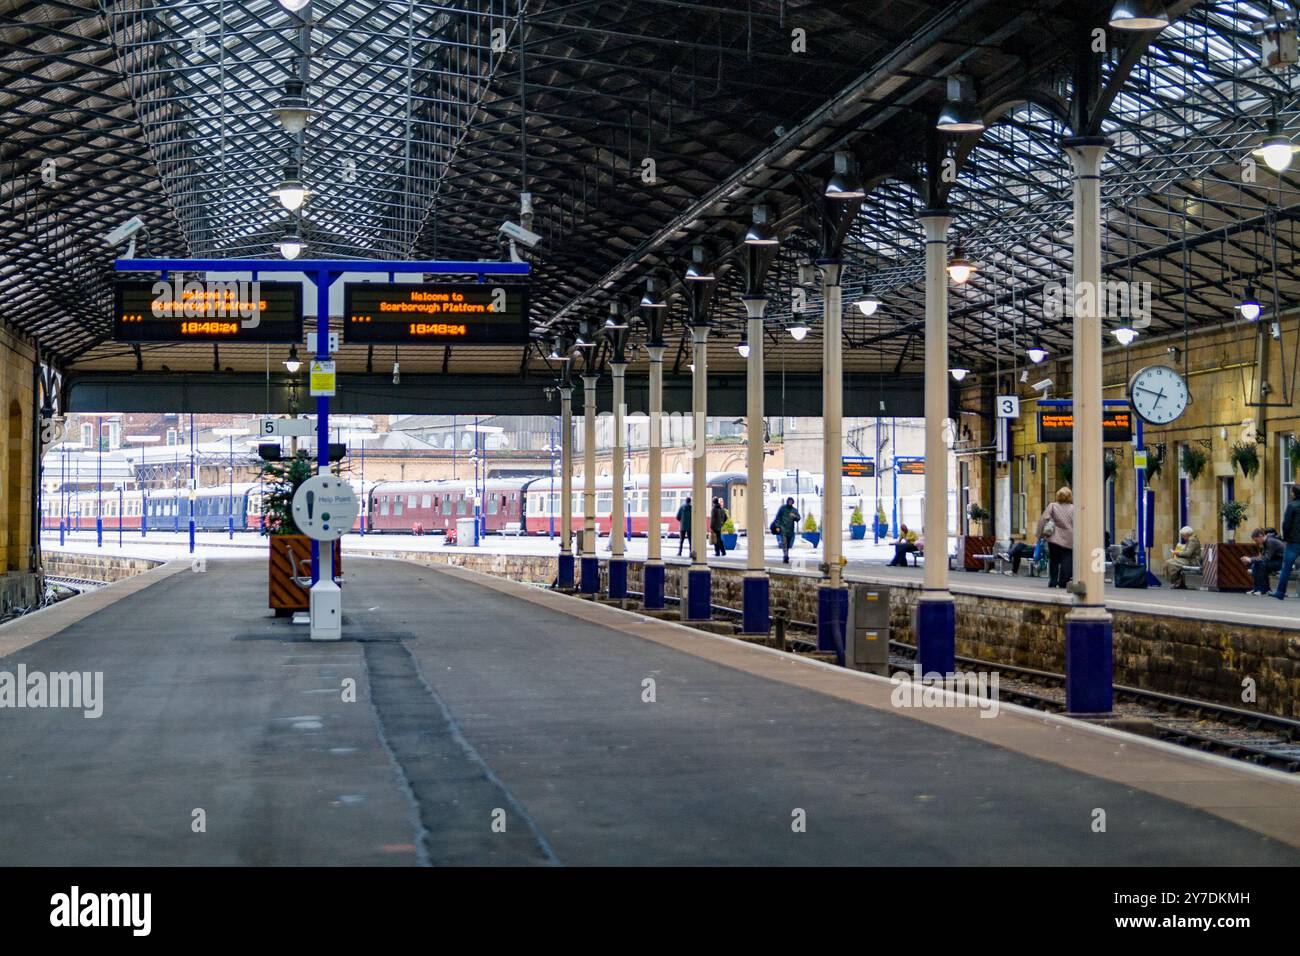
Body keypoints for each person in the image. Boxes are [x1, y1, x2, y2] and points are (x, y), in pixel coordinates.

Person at [1034, 486, 1074, 589]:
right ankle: (1063, 582)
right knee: (1067, 561)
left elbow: (1043, 520)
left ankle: (1053, 581)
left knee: (1054, 561)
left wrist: (1039, 535)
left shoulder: (1052, 506)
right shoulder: (1074, 508)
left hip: (1054, 539)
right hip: (1070, 539)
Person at [1273, 486, 1300, 600]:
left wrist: (1285, 537)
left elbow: (1286, 524)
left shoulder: (1291, 505)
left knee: (1286, 568)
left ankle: (1280, 592)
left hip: (1293, 541)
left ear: (1294, 494)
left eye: (1291, 492)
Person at [1243, 526, 1284, 595]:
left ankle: (1262, 589)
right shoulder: (1265, 542)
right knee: (1255, 564)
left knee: (1262, 564)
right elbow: (1262, 557)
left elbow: (1266, 558)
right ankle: (1257, 588)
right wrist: (1251, 560)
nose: (1256, 542)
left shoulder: (1270, 541)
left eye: (1256, 540)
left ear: (1260, 536)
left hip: (1281, 563)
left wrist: (1250, 559)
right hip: (1274, 561)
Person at [1164, 525, 1202, 590]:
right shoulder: (1191, 540)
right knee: (1169, 562)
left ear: (1187, 534)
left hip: (1192, 561)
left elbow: (1188, 554)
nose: (1182, 537)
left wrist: (1177, 553)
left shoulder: (1192, 540)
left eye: (1183, 535)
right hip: (1188, 560)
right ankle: (1177, 581)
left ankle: (1177, 582)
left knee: (1170, 563)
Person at [771, 497, 800, 564]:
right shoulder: (782, 508)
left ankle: (786, 554)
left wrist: (794, 516)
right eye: (789, 501)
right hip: (783, 529)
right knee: (784, 543)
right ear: (787, 502)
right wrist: (777, 526)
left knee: (788, 544)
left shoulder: (794, 510)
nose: (790, 502)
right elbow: (778, 518)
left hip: (790, 530)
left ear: (793, 502)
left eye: (791, 501)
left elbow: (798, 518)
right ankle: (785, 556)